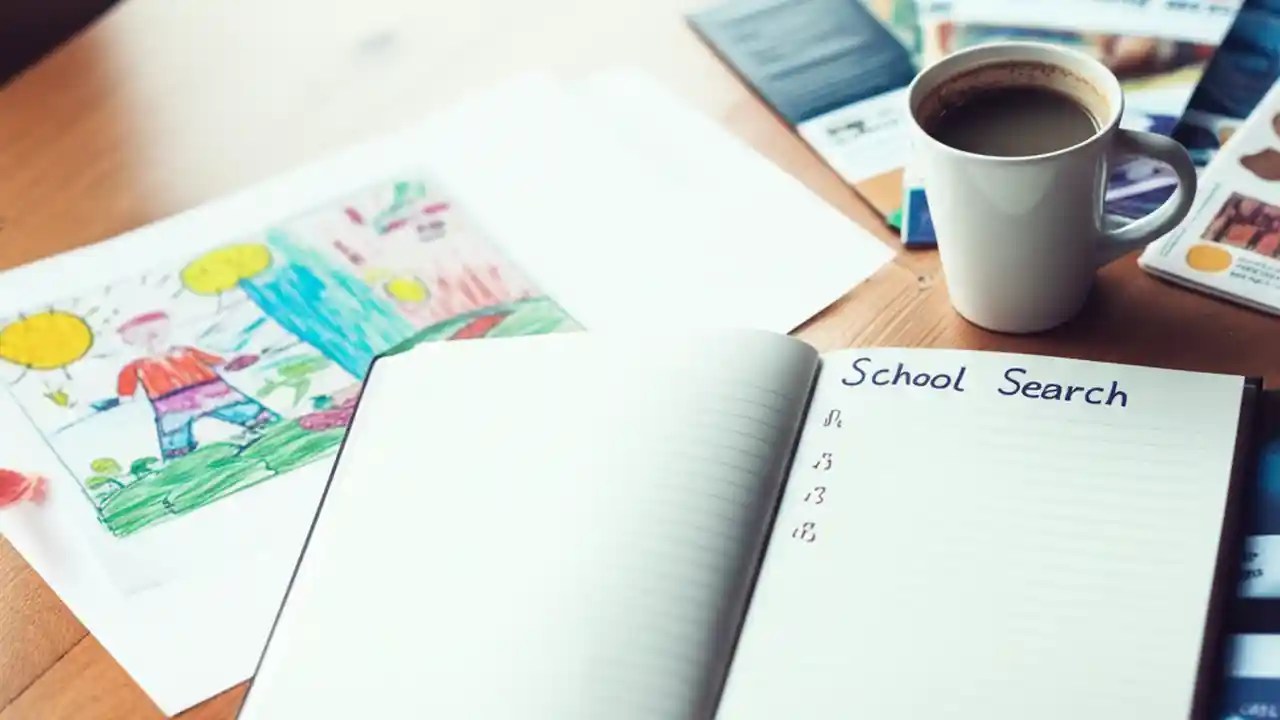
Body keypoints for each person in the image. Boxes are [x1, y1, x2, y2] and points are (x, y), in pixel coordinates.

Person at [109, 311, 278, 459]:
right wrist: (125, 399)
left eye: (156, 333)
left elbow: (215, 361)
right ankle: (178, 455)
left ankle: (263, 422)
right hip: (171, 403)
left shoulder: (185, 351)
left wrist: (232, 362)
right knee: (174, 431)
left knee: (236, 408)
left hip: (210, 390)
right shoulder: (137, 366)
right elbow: (126, 384)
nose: (152, 340)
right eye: (144, 336)